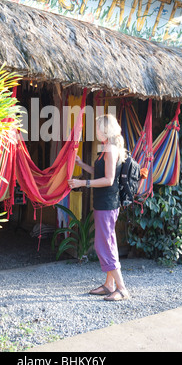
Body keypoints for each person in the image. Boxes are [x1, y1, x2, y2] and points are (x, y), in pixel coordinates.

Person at [68, 114, 130, 301]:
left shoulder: (110, 149)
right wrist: (81, 165)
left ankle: (122, 288)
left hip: (107, 204)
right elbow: (100, 172)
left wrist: (82, 183)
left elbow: (109, 180)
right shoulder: (106, 149)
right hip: (104, 203)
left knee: (103, 245)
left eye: (97, 127)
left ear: (105, 130)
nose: (95, 131)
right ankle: (109, 285)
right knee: (108, 243)